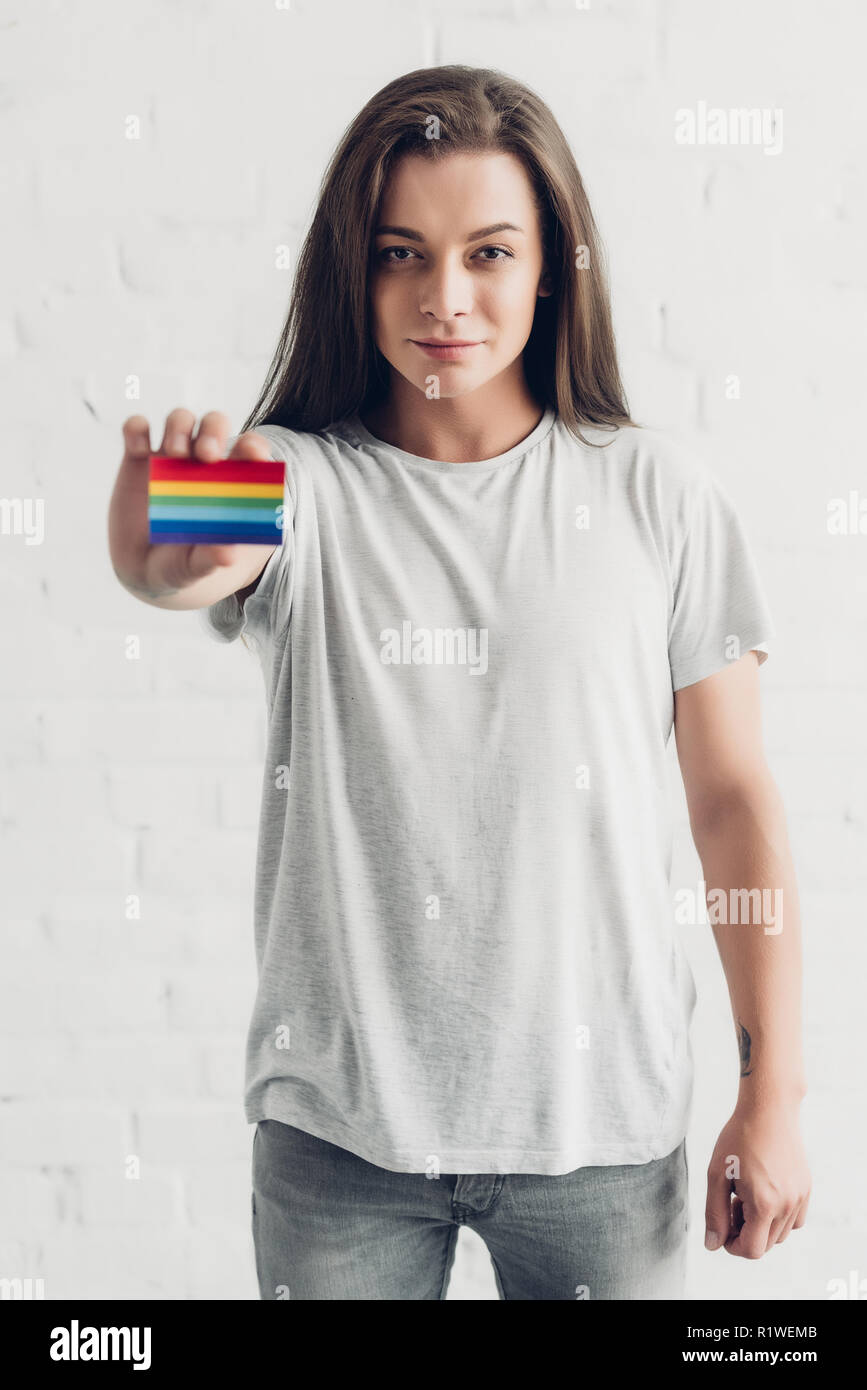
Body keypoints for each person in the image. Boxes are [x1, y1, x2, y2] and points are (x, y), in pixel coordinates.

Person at [108, 65, 810, 1301]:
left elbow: (734, 806)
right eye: (400, 253)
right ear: (355, 270)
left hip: (603, 1137)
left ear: (551, 270)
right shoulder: (293, 481)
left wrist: (772, 1095)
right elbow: (174, 561)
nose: (445, 297)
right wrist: (156, 535)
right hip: (341, 1144)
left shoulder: (658, 497)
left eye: (489, 252)